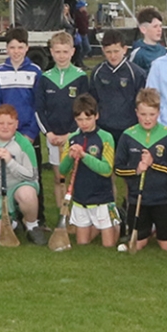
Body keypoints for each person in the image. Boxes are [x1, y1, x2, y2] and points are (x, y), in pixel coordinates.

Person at [115, 88, 167, 252]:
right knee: (137, 244)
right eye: (143, 114)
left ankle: (160, 229)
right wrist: (136, 170)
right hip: (138, 199)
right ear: (136, 112)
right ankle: (146, 231)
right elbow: (118, 169)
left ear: (158, 112)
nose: (147, 119)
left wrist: (153, 163)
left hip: (163, 199)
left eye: (151, 114)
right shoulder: (128, 135)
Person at [58, 94, 120, 248]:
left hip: (102, 198)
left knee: (108, 245)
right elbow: (62, 170)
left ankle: (117, 222)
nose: (84, 123)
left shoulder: (106, 137)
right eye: (80, 120)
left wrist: (84, 156)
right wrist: (71, 157)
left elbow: (106, 170)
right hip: (81, 198)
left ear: (96, 116)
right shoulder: (72, 138)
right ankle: (98, 226)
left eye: (88, 119)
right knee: (82, 244)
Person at [0, 102, 41, 243]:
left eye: (10, 123)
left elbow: (32, 175)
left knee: (26, 195)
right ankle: (12, 221)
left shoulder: (24, 144)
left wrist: (10, 162)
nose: (5, 127)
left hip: (19, 188)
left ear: (16, 124)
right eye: (1, 123)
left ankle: (31, 225)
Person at [34, 29, 88, 169]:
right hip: (54, 137)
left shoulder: (81, 77)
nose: (61, 56)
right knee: (59, 178)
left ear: (72, 51)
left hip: (75, 134)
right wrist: (49, 133)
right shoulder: (45, 78)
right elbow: (39, 109)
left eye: (65, 52)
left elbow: (85, 110)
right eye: (58, 52)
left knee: (76, 176)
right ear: (51, 52)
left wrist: (70, 133)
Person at [87, 30, 141, 150]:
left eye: (116, 51)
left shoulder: (136, 73)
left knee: (126, 164)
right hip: (104, 128)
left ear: (125, 49)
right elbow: (92, 101)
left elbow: (141, 102)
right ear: (103, 51)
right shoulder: (97, 72)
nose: (113, 56)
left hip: (129, 128)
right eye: (108, 52)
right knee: (106, 164)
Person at [130, 8, 167, 77]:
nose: (159, 30)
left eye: (160, 26)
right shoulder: (138, 53)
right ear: (143, 29)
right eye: (155, 26)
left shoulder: (163, 50)